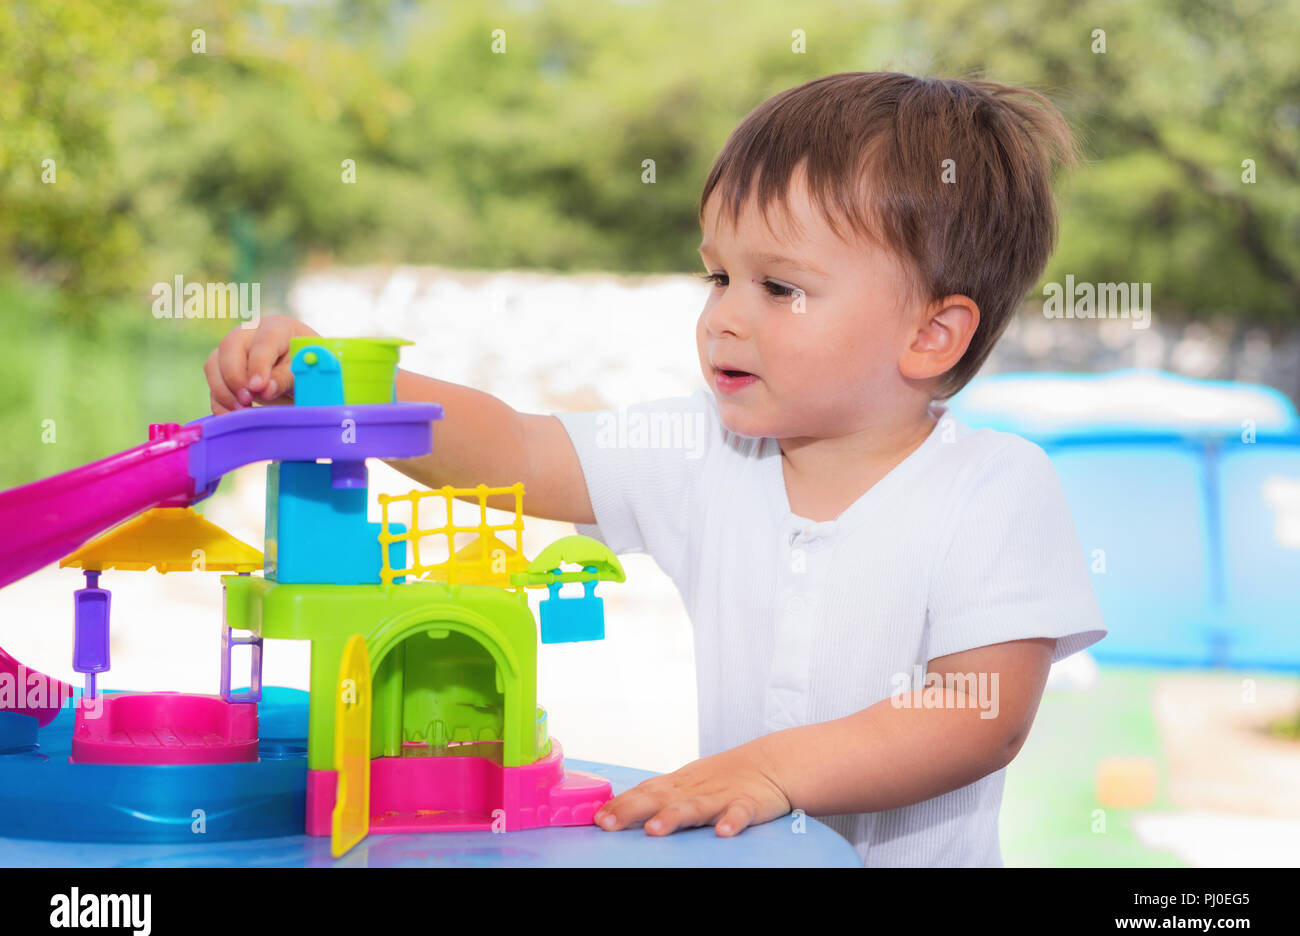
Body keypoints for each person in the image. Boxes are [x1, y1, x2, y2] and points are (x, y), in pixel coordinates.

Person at [205, 72, 1107, 866]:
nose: (723, 318)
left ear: (930, 334)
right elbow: (520, 450)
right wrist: (348, 386)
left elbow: (978, 713)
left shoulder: (993, 486)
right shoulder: (702, 452)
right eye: (718, 277)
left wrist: (769, 768)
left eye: (779, 287)